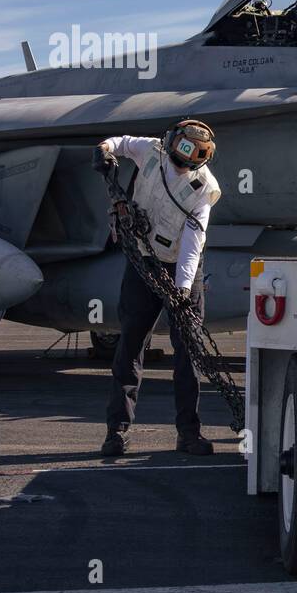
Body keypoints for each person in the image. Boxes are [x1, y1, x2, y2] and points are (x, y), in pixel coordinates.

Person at [91, 120, 223, 456]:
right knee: (130, 348)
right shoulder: (151, 150)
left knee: (188, 355)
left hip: (181, 269)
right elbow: (120, 143)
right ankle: (116, 433)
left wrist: (181, 291)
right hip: (142, 263)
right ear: (171, 142)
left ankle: (188, 434)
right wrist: (105, 149)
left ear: (201, 161)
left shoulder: (203, 189)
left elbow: (193, 244)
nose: (181, 166)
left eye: (190, 162)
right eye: (180, 156)